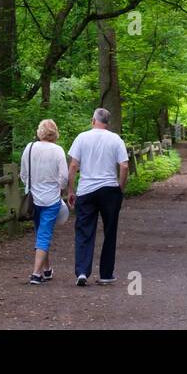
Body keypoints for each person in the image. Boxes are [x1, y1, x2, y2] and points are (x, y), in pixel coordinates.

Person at [66, 107, 129, 286]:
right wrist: (120, 188)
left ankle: (82, 272)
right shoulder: (116, 139)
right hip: (110, 190)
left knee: (84, 230)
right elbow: (124, 166)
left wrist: (71, 190)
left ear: (93, 120)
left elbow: (72, 166)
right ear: (107, 123)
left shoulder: (82, 137)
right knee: (110, 232)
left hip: (86, 190)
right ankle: (106, 274)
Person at [19, 118, 68, 285]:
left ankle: (47, 270)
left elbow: (23, 174)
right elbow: (64, 178)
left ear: (39, 131)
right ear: (55, 133)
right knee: (44, 234)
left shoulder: (29, 148)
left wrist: (30, 186)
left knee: (41, 232)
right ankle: (36, 274)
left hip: (33, 198)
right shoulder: (58, 150)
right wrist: (59, 189)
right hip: (51, 199)